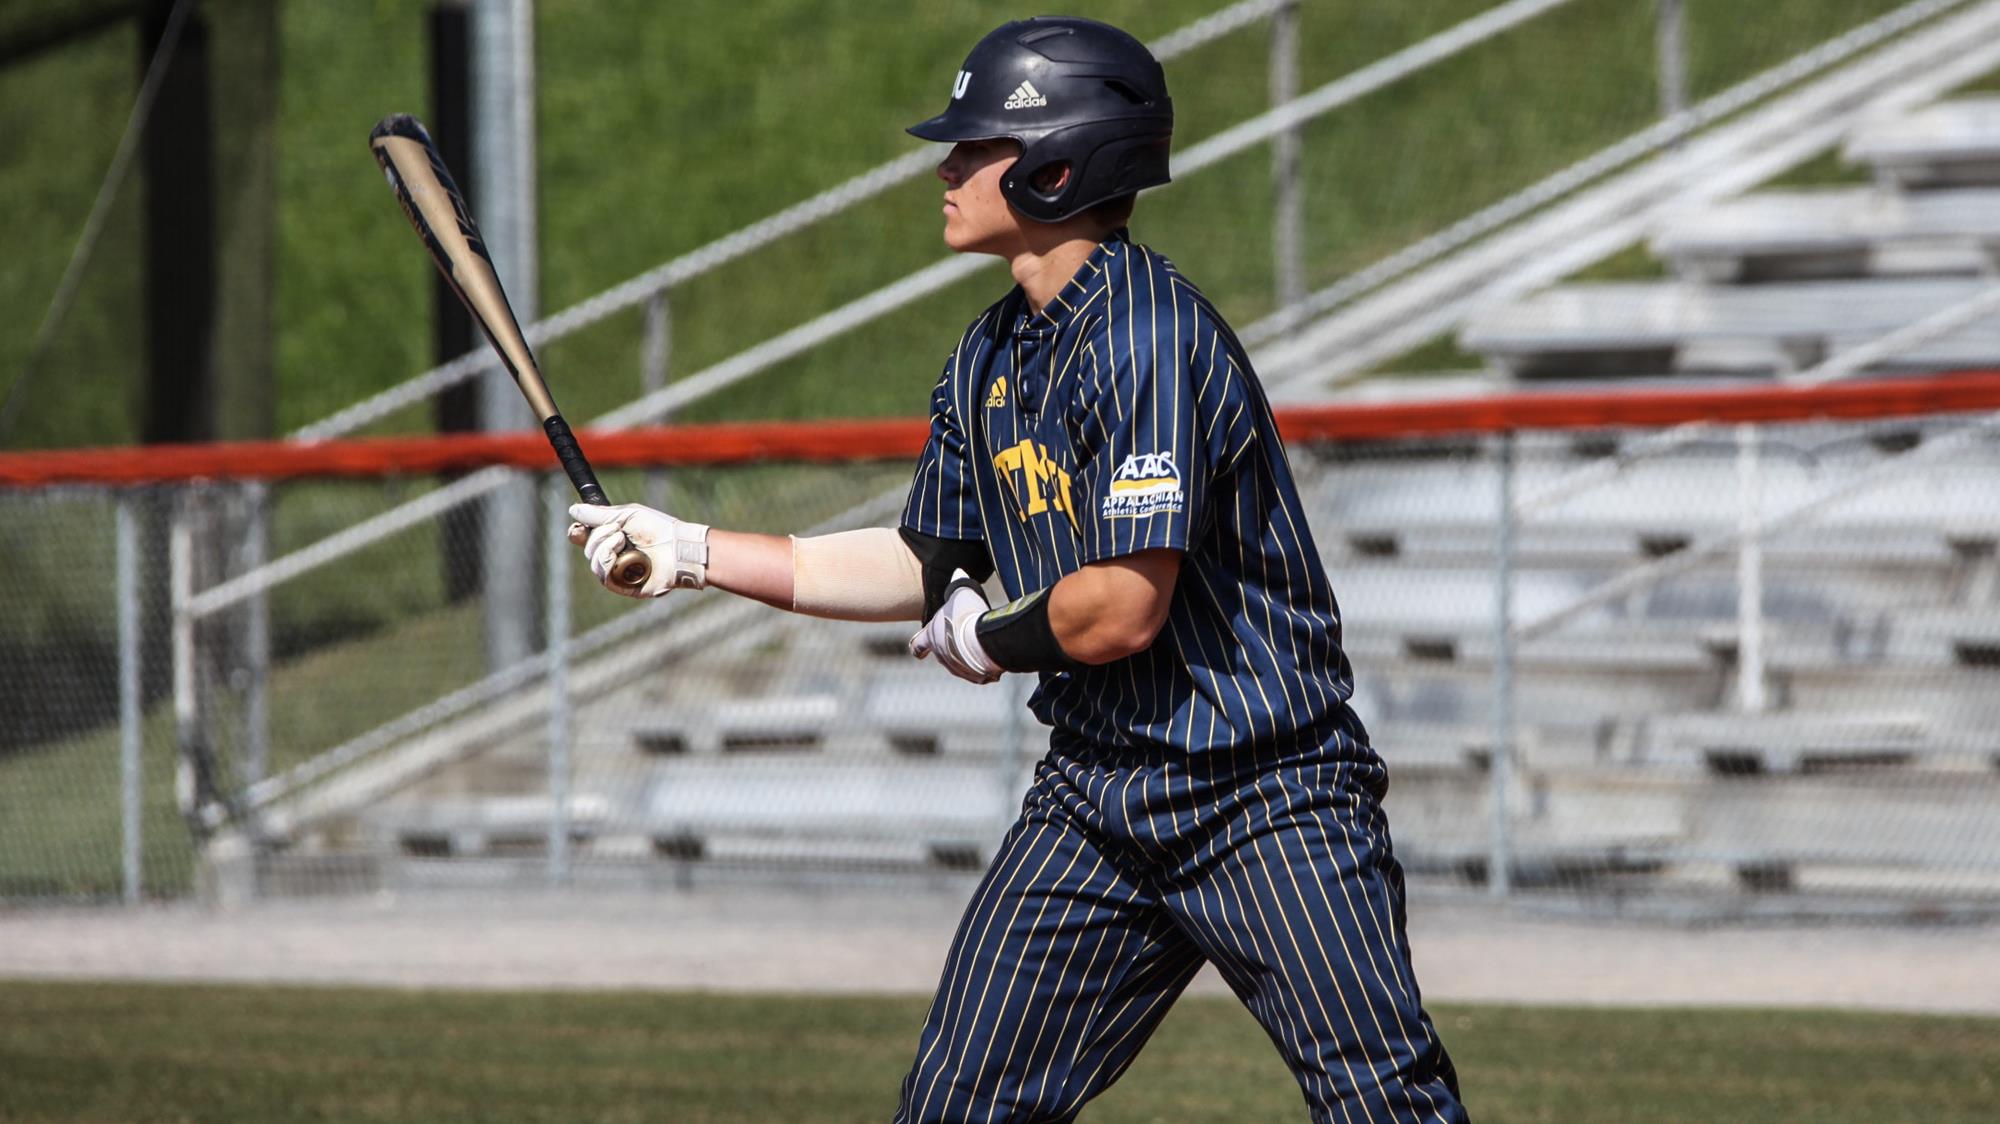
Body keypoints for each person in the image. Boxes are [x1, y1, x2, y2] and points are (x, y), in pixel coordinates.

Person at [568, 16, 1468, 1123]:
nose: (945, 166)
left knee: (1382, 1100)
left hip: (1262, 791)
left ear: (1059, 163)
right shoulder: (990, 351)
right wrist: (694, 551)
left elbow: (1123, 607)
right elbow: (921, 556)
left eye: (974, 145)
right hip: (1095, 795)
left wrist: (983, 637)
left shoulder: (1148, 334)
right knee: (957, 1105)